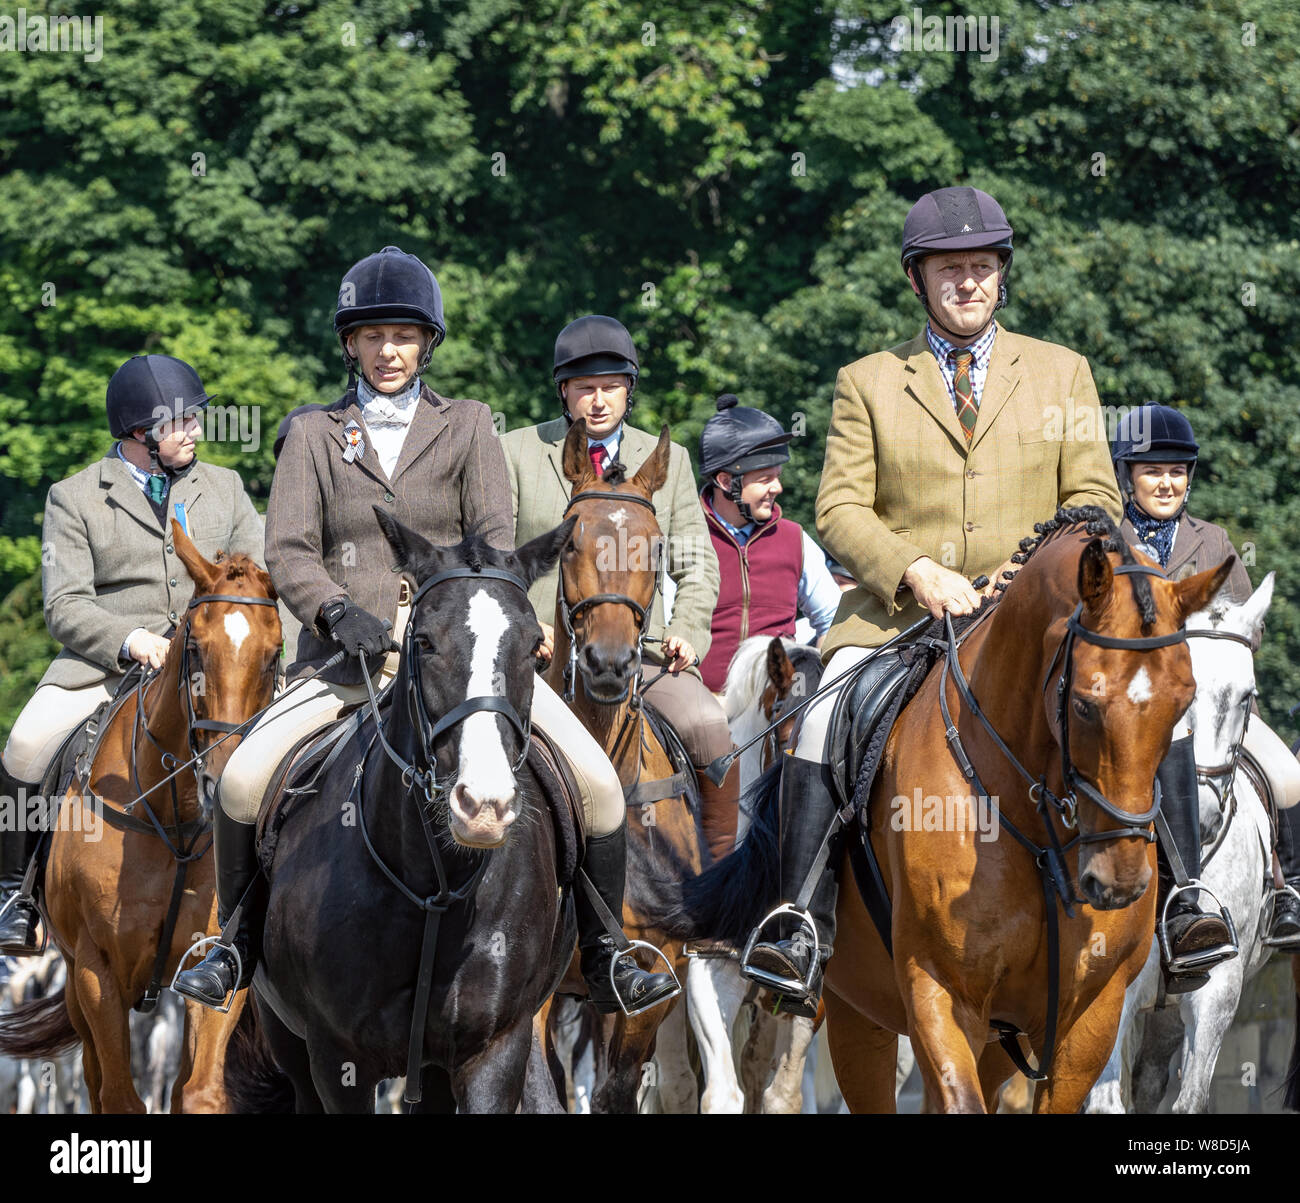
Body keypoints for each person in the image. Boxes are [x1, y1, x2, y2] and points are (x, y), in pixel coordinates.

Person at [741, 185, 1232, 1014]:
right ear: (918, 280)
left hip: (1034, 617)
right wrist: (916, 570)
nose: (967, 283)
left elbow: (1089, 495)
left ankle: (1186, 898)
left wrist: (1028, 567)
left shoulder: (1061, 371)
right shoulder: (868, 381)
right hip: (900, 621)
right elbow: (839, 508)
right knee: (824, 714)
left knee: (1135, 698)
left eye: (981, 268)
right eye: (949, 270)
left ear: (1001, 276)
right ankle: (799, 920)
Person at [173, 251, 677, 1016]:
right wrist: (337, 610)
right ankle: (236, 945)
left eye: (403, 336)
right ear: (350, 344)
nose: (387, 351)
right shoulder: (313, 433)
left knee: (600, 788)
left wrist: (474, 619)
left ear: (426, 344)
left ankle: (605, 952)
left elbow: (495, 539)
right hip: (348, 658)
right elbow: (289, 550)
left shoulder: (469, 422)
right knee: (243, 781)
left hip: (463, 659)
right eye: (372, 336)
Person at [0, 355, 264, 954]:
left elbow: (257, 580)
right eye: (182, 422)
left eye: (197, 418)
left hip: (212, 665)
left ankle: (267, 900)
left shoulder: (223, 488)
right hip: (108, 664)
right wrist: (132, 640)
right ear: (140, 433)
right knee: (24, 742)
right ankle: (14, 892)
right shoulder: (74, 497)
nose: (196, 430)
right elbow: (64, 604)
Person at [501, 315, 739, 860]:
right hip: (539, 654)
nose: (598, 401)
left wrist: (686, 629)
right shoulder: (514, 452)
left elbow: (698, 561)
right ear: (564, 391)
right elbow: (499, 557)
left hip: (640, 654)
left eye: (611, 386)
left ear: (629, 390)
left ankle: (720, 888)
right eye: (585, 388)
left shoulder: (670, 461)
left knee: (707, 728)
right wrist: (523, 623)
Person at [1114, 404, 1300, 950]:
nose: (1166, 483)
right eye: (1153, 472)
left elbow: (1250, 628)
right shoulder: (1110, 543)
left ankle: (1287, 887)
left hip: (1217, 705)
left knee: (1289, 774)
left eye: (1177, 472)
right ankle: (1180, 897)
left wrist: (1213, 633)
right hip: (1145, 706)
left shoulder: (1215, 543)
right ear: (1128, 476)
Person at [696, 393, 841, 692]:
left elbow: (833, 620)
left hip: (782, 704)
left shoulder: (795, 539)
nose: (777, 487)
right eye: (764, 479)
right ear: (725, 482)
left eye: (777, 476)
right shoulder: (683, 540)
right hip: (705, 702)